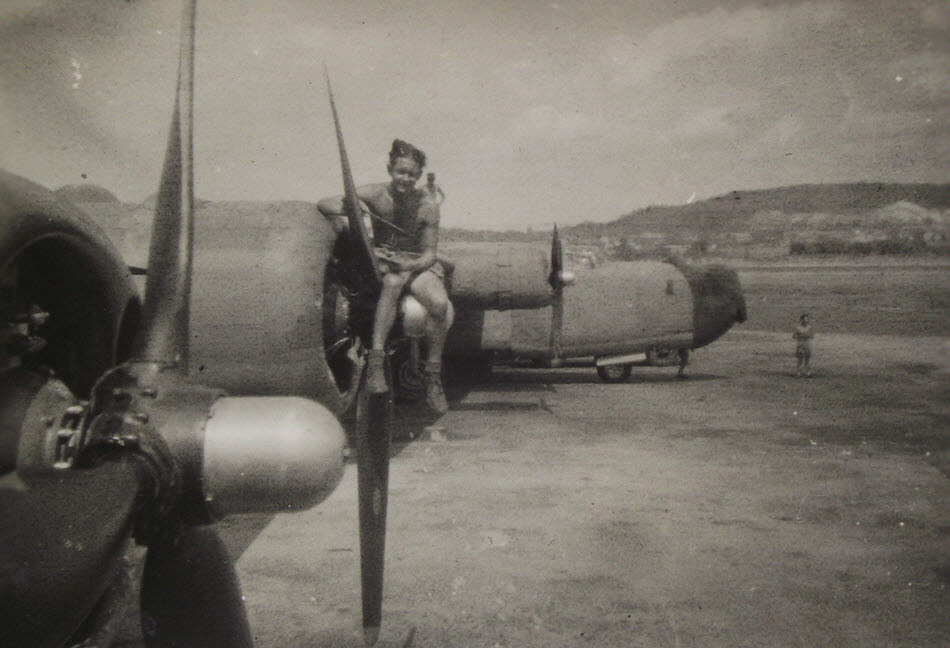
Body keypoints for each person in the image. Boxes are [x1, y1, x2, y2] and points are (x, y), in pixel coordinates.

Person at [317, 139, 454, 414]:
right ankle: (376, 363)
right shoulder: (374, 193)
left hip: (416, 264)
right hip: (383, 261)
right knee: (391, 283)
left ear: (418, 176)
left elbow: (429, 253)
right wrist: (352, 207)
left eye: (413, 174)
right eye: (401, 171)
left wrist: (409, 268)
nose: (407, 178)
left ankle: (432, 377)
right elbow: (324, 203)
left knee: (439, 306)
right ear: (390, 169)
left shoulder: (427, 204)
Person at [793, 312, 814, 377]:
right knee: (800, 359)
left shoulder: (809, 327)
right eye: (804, 320)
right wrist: (799, 337)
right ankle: (799, 372)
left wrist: (808, 336)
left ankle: (807, 372)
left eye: (806, 320)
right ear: (801, 320)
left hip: (807, 344)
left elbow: (812, 336)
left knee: (807, 359)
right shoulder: (798, 328)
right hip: (801, 344)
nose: (805, 321)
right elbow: (794, 336)